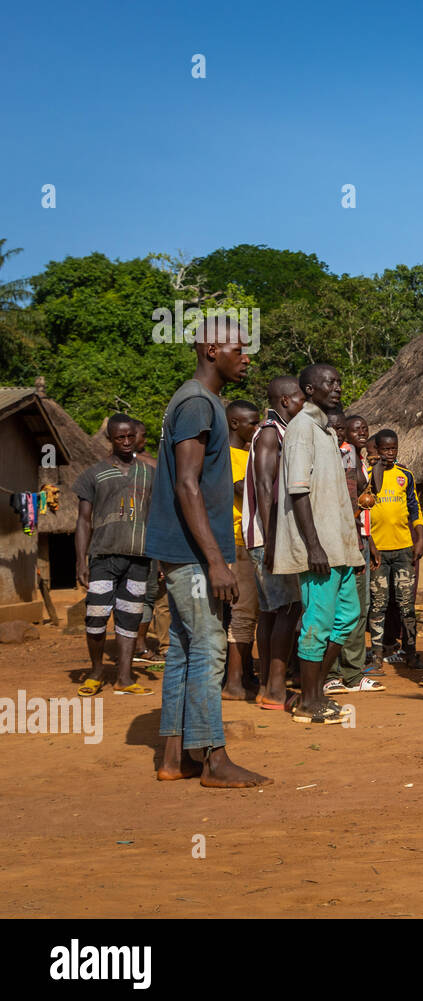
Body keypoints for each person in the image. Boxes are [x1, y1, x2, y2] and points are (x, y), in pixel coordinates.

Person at [145, 315, 269, 787]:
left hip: (183, 550)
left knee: (183, 647)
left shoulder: (203, 401)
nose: (247, 358)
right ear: (211, 349)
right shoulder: (197, 403)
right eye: (240, 349)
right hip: (195, 554)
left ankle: (175, 757)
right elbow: (186, 483)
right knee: (211, 648)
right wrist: (217, 561)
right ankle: (214, 760)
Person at [273, 363, 365, 724]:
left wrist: (351, 546)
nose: (337, 387)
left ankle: (314, 692)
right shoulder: (301, 430)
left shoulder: (326, 431)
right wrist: (313, 547)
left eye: (339, 381)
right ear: (309, 390)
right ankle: (309, 701)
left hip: (339, 546)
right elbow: (298, 492)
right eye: (329, 382)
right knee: (318, 623)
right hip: (320, 549)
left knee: (347, 618)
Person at [73, 413, 155, 697]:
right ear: (110, 438)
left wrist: (158, 556)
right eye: (119, 437)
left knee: (130, 618)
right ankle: (96, 672)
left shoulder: (148, 473)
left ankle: (124, 676)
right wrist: (80, 560)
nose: (126, 441)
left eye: (130, 436)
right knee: (96, 617)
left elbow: (156, 517)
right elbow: (83, 521)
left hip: (139, 558)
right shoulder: (92, 474)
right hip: (103, 557)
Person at [243, 376, 304, 711]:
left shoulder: (281, 431)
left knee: (269, 612)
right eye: (298, 398)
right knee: (289, 608)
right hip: (270, 538)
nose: (303, 404)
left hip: (269, 537)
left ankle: (267, 686)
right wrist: (272, 540)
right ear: (284, 400)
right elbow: (265, 487)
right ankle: (277, 690)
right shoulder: (270, 433)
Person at [326, 413, 382, 693]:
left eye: (365, 428)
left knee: (359, 609)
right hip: (340, 543)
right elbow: (350, 503)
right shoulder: (343, 454)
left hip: (359, 540)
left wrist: (369, 543)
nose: (362, 431)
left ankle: (353, 673)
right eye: (355, 428)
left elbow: (367, 494)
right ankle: (332, 673)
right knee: (338, 609)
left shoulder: (359, 459)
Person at [365, 429, 423, 673]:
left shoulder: (405, 476)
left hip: (403, 550)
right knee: (378, 604)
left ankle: (410, 652)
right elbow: (362, 511)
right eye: (385, 450)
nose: (390, 454)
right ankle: (377, 654)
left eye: (394, 449)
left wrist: (420, 536)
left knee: (406, 605)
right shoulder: (367, 476)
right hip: (378, 552)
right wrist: (370, 544)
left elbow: (414, 508)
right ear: (377, 451)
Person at [223, 400, 261, 700]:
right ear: (235, 423)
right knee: (243, 612)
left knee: (249, 612)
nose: (256, 427)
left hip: (248, 540)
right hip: (236, 541)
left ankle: (244, 675)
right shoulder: (223, 456)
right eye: (252, 422)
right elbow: (239, 489)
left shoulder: (247, 455)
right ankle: (234, 683)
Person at [128, 419, 162, 661]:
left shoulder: (146, 462)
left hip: (143, 536)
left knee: (143, 594)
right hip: (141, 538)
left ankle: (136, 644)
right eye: (142, 435)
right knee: (144, 594)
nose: (145, 440)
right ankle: (137, 645)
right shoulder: (147, 465)